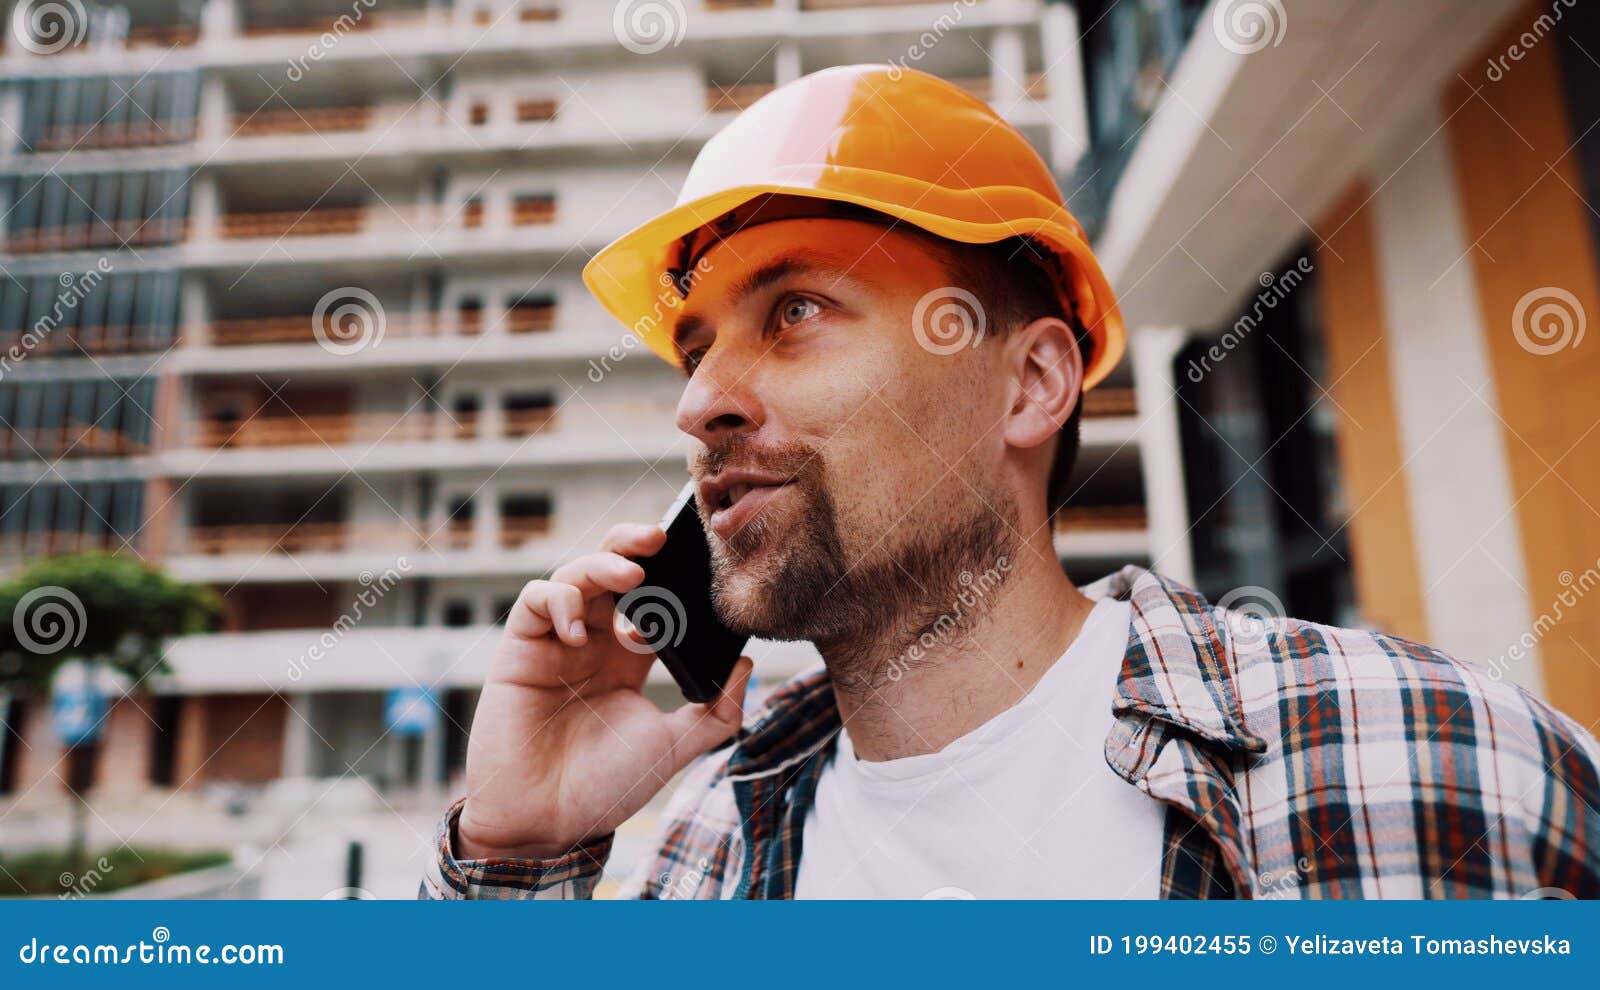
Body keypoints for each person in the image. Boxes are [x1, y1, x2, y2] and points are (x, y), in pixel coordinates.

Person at [422, 65, 1600, 900]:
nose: (699, 405)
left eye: (796, 312)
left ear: (1029, 384)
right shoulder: (702, 854)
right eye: (695, 350)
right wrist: (517, 853)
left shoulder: (1430, 765)